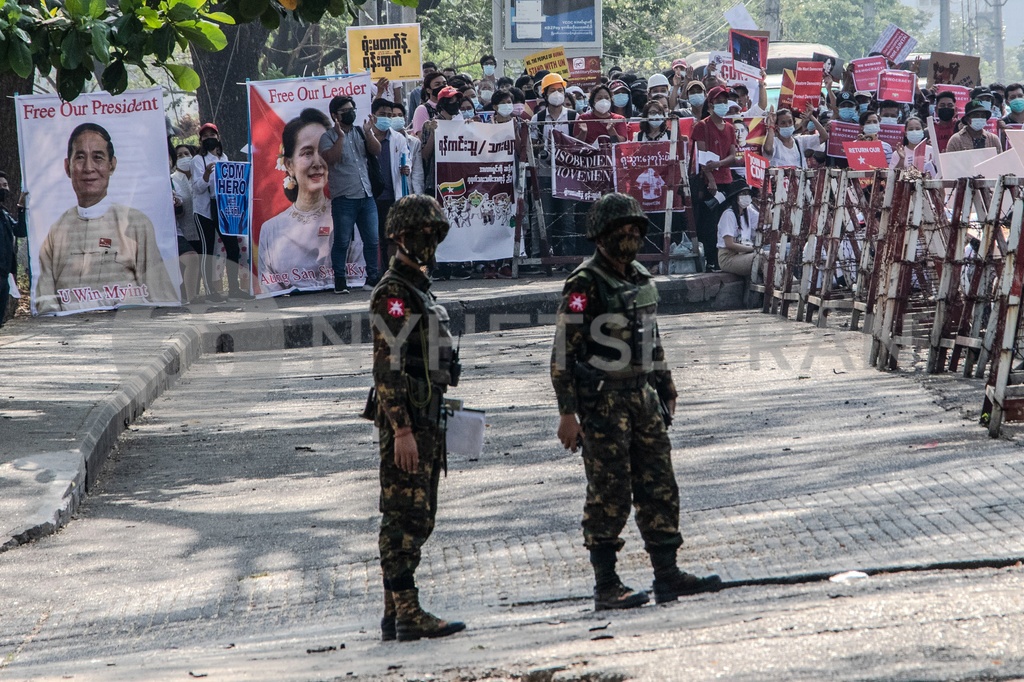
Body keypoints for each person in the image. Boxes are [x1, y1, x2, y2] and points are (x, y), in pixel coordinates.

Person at [551, 193, 722, 611]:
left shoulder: (641, 277)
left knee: (659, 485)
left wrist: (666, 384)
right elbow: (563, 355)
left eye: (635, 231)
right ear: (602, 236)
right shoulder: (583, 284)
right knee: (610, 492)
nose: (630, 238)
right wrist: (567, 413)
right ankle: (606, 584)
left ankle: (668, 573)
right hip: (603, 404)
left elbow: (652, 337)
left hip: (644, 399)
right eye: (621, 232)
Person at [370, 194, 465, 642]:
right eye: (423, 235)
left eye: (434, 234)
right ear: (402, 238)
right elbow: (386, 368)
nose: (430, 242)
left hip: (427, 417)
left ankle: (394, 614)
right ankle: (408, 613)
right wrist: (402, 429)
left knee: (416, 514)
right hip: (408, 423)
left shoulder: (417, 288)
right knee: (406, 519)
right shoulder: (392, 293)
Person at [35, 123, 178, 314]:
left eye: (98, 157)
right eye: (79, 157)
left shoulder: (135, 223)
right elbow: (46, 303)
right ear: (67, 167)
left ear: (112, 165)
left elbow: (160, 296)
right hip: (68, 335)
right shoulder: (56, 231)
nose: (88, 168)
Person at [258, 108, 333, 294]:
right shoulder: (270, 230)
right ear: (289, 165)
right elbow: (268, 287)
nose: (317, 162)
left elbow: (357, 279)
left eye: (324, 150)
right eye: (307, 153)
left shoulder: (348, 219)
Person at [320, 95, 382, 294]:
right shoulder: (327, 137)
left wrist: (369, 132)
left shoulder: (360, 132)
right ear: (334, 115)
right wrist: (340, 137)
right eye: (345, 111)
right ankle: (340, 280)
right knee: (342, 241)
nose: (350, 113)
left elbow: (376, 150)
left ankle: (372, 278)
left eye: (352, 109)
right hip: (344, 198)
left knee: (372, 240)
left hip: (366, 195)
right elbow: (332, 158)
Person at [191, 122, 247, 301]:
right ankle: (210, 291)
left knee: (232, 247)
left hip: (224, 208)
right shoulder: (197, 161)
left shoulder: (224, 158)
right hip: (204, 211)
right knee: (207, 250)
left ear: (218, 137)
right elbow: (198, 188)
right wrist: (207, 174)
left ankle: (234, 288)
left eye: (212, 135)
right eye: (205, 136)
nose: (209, 138)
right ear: (200, 140)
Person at [531, 73, 580, 257]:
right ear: (545, 94)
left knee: (568, 218)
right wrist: (543, 149)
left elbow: (579, 145)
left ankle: (569, 257)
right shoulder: (538, 118)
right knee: (543, 217)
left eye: (560, 90)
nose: (557, 94)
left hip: (567, 174)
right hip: (544, 173)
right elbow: (532, 146)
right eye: (552, 91)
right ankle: (540, 256)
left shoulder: (574, 116)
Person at [692, 85, 739, 271]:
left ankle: (723, 259)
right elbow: (703, 156)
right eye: (718, 102)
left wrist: (719, 164)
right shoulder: (702, 126)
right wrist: (710, 178)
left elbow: (733, 155)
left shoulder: (729, 127)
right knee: (709, 223)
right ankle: (711, 260)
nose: (722, 105)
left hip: (726, 180)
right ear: (710, 105)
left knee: (724, 220)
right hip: (709, 183)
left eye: (724, 102)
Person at [370, 99, 412, 263]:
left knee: (391, 236)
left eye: (389, 115)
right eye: (382, 115)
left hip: (391, 195)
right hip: (370, 196)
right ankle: (375, 273)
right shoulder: (365, 135)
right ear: (373, 116)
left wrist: (406, 167)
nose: (386, 118)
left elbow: (406, 157)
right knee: (374, 237)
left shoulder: (398, 138)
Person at [170, 143, 200, 303]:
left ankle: (193, 296)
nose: (183, 157)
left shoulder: (198, 177)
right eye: (179, 155)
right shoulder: (172, 180)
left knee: (198, 266)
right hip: (182, 232)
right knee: (186, 264)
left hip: (200, 230)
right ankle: (186, 297)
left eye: (186, 153)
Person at [717, 182, 761, 279]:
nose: (746, 196)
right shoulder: (728, 215)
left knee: (775, 255)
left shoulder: (748, 212)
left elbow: (766, 221)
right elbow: (730, 244)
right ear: (735, 197)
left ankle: (791, 285)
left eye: (748, 194)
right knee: (764, 257)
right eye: (743, 194)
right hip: (729, 258)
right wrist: (753, 249)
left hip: (744, 253)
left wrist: (766, 204)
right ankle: (772, 288)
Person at [0, 170, 27, 325]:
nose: (4, 189)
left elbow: (20, 231)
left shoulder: (4, 214)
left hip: (4, 274)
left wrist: (21, 208)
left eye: (6, 185)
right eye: (1, 186)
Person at [762, 106, 828, 168]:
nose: (787, 125)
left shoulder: (800, 141)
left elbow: (824, 137)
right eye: (783, 123)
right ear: (777, 126)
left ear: (794, 123)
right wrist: (771, 126)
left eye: (790, 122)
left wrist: (811, 116)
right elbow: (768, 149)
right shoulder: (774, 142)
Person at [389, 102, 425, 195]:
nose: (397, 118)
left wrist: (418, 197)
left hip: (407, 192)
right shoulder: (383, 141)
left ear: (404, 118)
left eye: (400, 115)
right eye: (393, 116)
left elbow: (417, 174)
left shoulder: (414, 142)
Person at [412, 71, 448, 135]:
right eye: (437, 84)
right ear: (428, 90)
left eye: (444, 84)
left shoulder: (454, 107)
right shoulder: (422, 109)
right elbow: (422, 139)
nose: (443, 87)